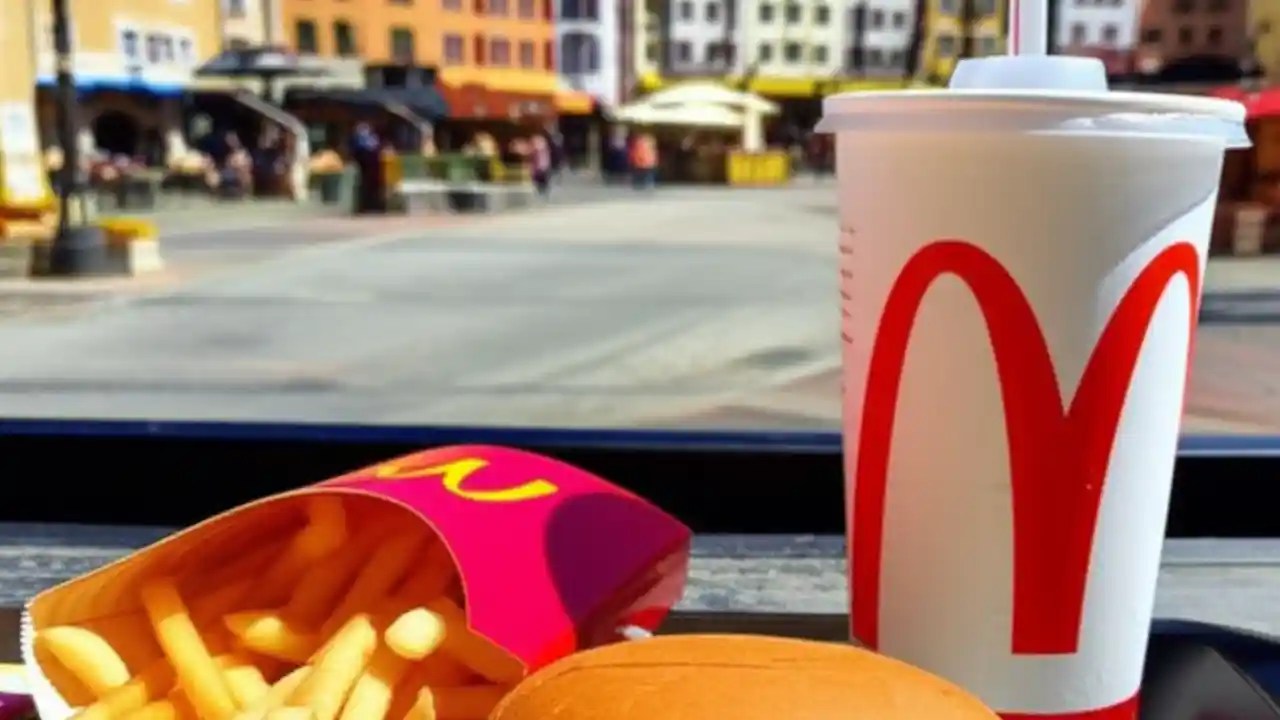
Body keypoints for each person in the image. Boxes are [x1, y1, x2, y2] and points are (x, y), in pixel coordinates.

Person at [349, 121, 385, 214]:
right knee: (364, 187)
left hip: (374, 168)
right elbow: (357, 150)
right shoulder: (358, 140)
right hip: (364, 167)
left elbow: (377, 148)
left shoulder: (372, 138)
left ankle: (373, 206)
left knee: (372, 188)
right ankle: (365, 207)